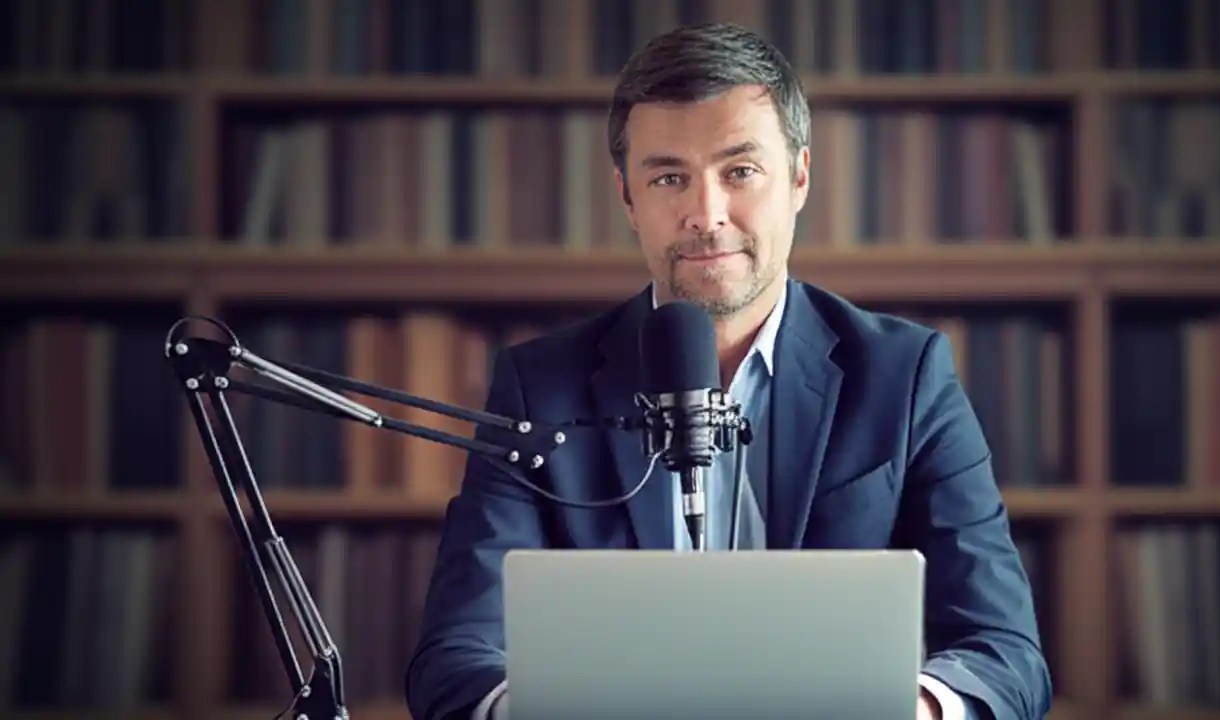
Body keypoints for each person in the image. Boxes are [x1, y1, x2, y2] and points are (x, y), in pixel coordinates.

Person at [404, 22, 1051, 720]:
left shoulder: (906, 374)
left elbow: (1006, 653)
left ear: (799, 177)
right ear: (627, 197)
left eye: (740, 171)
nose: (705, 215)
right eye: (669, 178)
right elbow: (455, 658)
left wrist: (912, 709)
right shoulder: (539, 385)